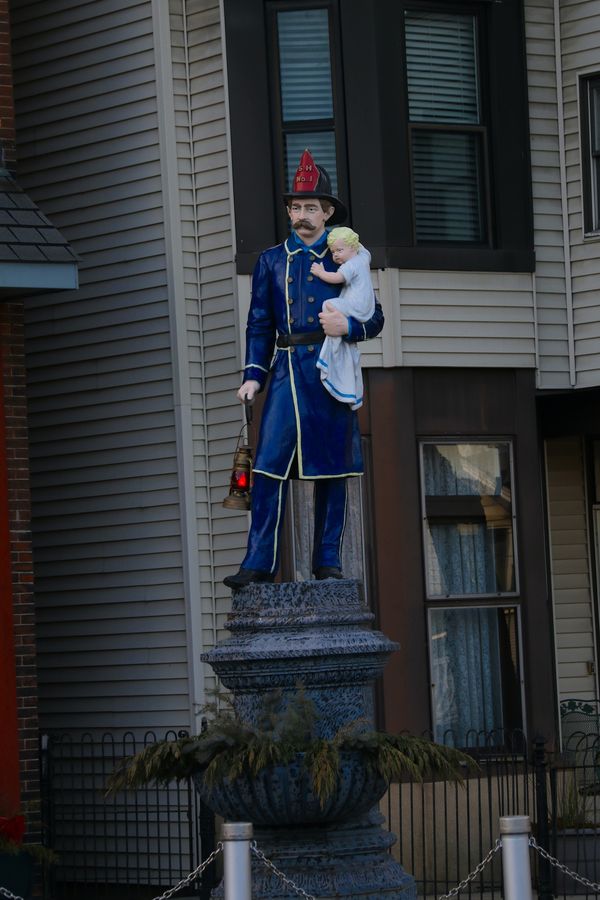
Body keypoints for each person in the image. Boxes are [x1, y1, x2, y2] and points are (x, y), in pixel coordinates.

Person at [223, 149, 384, 590]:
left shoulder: (349, 259)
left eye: (310, 207)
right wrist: (253, 373)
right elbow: (258, 323)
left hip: (330, 370)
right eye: (295, 207)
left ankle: (327, 560)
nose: (301, 215)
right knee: (269, 466)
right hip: (288, 368)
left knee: (332, 470)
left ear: (327, 212)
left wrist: (349, 325)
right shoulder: (272, 261)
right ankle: (259, 561)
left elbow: (375, 315)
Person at [310, 226, 375, 410]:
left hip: (357, 307)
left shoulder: (351, 265)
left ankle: (334, 342)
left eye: (340, 250)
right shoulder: (363, 257)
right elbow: (361, 247)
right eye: (333, 252)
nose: (336, 256)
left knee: (328, 305)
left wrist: (320, 272)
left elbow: (337, 277)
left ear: (352, 248)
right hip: (364, 305)